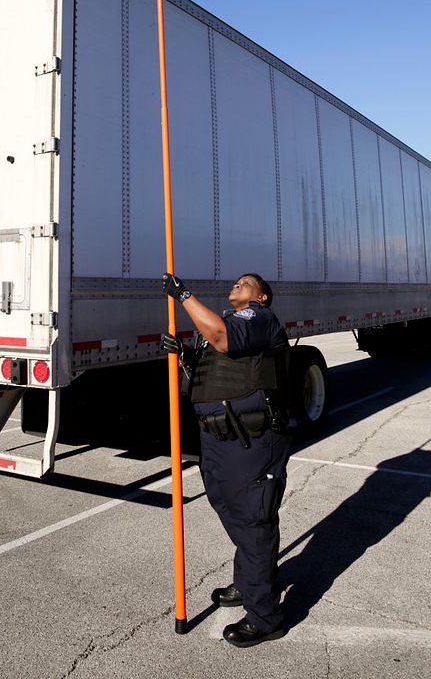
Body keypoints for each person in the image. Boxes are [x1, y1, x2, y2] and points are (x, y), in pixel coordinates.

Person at [162, 271, 291, 648]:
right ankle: (251, 580)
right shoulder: (224, 322)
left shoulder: (258, 317)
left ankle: (265, 616)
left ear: (262, 297)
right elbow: (217, 370)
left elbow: (223, 338)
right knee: (230, 509)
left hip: (251, 440)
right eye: (236, 282)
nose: (237, 284)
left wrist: (183, 295)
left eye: (246, 283)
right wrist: (185, 355)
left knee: (253, 518)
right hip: (218, 439)